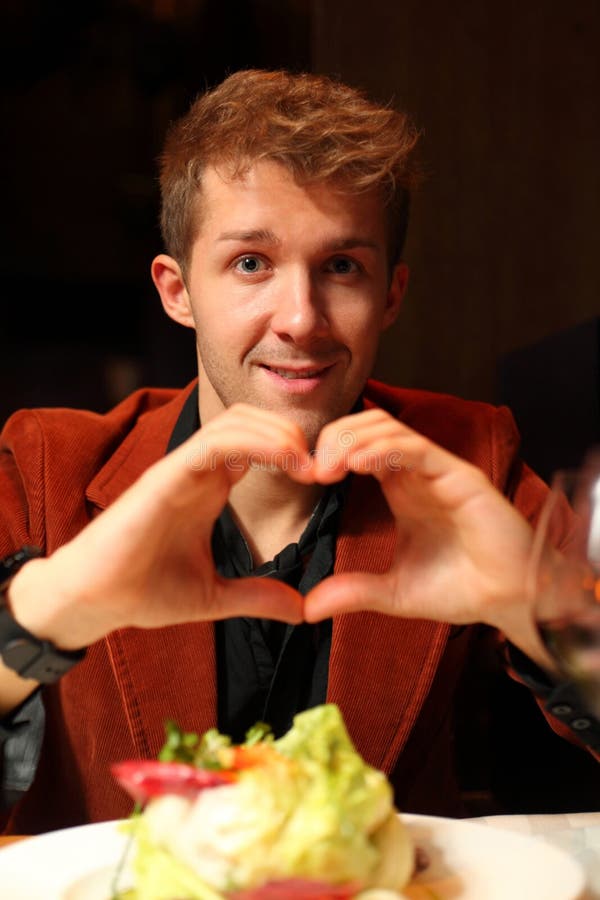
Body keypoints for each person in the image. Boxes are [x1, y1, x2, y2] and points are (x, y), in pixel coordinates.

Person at [0, 69, 597, 836]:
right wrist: (52, 610)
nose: (301, 319)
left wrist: (543, 608)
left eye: (341, 267)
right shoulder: (47, 463)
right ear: (177, 290)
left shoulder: (469, 458)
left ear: (391, 294)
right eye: (251, 262)